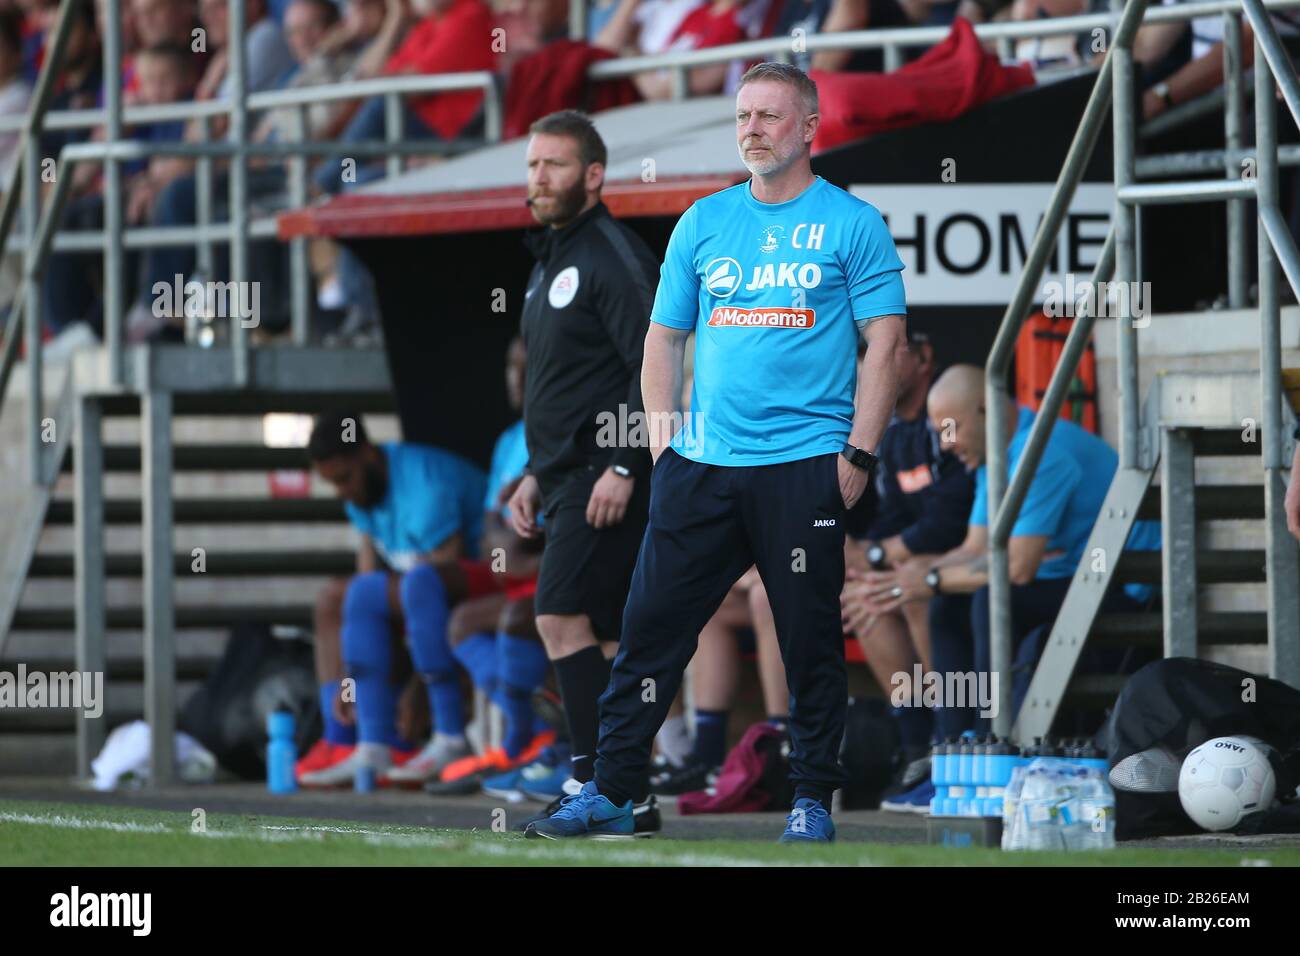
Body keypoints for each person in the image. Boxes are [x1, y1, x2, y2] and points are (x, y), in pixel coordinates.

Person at [526, 62, 907, 843]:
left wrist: (859, 455)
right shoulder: (702, 220)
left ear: (808, 127)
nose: (753, 130)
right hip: (702, 467)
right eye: (743, 117)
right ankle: (614, 790)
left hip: (805, 463)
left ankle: (810, 799)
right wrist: (664, 444)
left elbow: (888, 344)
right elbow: (663, 338)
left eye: (770, 116)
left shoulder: (852, 221)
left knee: (807, 640)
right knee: (648, 632)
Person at [504, 109, 662, 833]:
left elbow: (658, 363)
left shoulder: (610, 254)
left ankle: (601, 784)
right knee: (592, 633)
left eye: (555, 165)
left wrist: (625, 464)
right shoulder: (549, 262)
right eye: (533, 165)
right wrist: (536, 473)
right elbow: (562, 387)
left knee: (557, 615)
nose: (539, 178)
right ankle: (629, 793)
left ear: (594, 177)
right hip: (565, 478)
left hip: (609, 478)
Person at [855, 364, 1160, 734]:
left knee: (989, 599)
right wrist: (903, 579)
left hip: (1130, 592)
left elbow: (1016, 569)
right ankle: (949, 744)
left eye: (952, 429)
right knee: (946, 602)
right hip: (1077, 580)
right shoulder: (996, 454)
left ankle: (990, 738)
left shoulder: (1042, 452)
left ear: (985, 409)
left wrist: (932, 577)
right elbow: (974, 549)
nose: (947, 445)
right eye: (939, 434)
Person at [296, 412, 493, 786]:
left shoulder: (424, 484)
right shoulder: (361, 490)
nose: (341, 492)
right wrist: (348, 679)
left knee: (415, 584)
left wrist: (417, 688)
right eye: (332, 483)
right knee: (341, 598)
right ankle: (355, 740)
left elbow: (438, 591)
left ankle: (447, 735)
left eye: (344, 479)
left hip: (481, 583)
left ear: (367, 454)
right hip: (420, 591)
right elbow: (366, 580)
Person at [839, 328, 974, 813]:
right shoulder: (891, 433)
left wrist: (879, 555)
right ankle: (917, 748)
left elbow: (953, 512)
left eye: (891, 352)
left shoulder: (949, 420)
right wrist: (870, 556)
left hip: (966, 563)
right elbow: (893, 514)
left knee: (910, 584)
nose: (876, 366)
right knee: (865, 599)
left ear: (924, 356)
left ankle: (949, 740)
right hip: (921, 563)